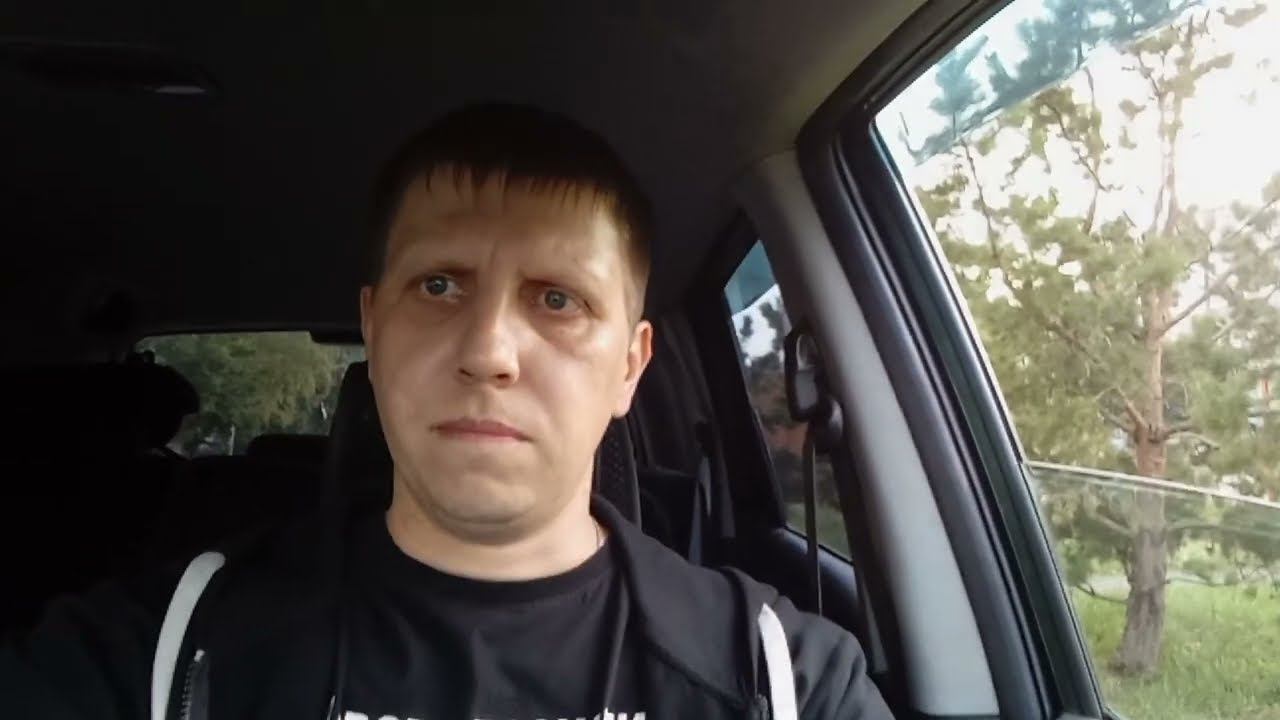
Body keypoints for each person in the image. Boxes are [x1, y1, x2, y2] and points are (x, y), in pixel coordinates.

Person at [0, 104, 894, 720]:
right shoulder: (161, 651)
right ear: (373, 327)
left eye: (557, 300)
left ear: (630, 367)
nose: (489, 351)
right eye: (438, 285)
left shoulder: (780, 680)